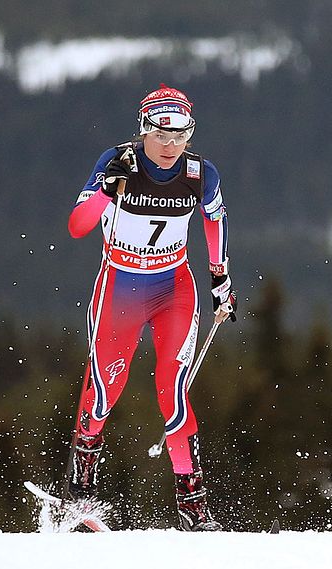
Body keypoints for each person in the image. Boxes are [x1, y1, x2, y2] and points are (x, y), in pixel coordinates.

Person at [64, 84, 236, 531]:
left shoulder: (200, 174)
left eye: (180, 136)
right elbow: (78, 226)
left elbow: (214, 221)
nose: (170, 146)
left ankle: (192, 505)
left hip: (173, 288)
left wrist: (220, 279)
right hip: (120, 287)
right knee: (105, 391)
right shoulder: (117, 161)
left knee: (172, 392)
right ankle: (81, 492)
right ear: (144, 130)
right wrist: (104, 190)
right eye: (161, 135)